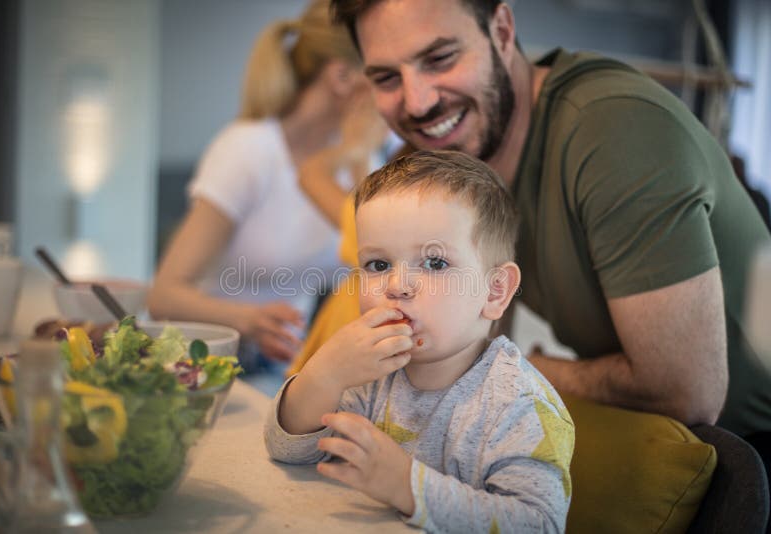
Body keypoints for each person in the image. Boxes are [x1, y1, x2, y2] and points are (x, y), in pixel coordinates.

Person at [326, 0, 771, 452]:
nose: (418, 102)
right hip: (656, 436)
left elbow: (688, 392)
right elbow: (470, 338)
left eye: (440, 58)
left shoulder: (613, 131)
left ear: (502, 30)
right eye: (387, 78)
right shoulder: (444, 162)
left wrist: (524, 368)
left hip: (748, 448)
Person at [265, 150, 574, 533]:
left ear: (495, 291)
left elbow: (538, 525)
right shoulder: (368, 374)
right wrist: (324, 374)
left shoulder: (519, 405)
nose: (397, 286)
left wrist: (408, 487)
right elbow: (288, 450)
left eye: (434, 263)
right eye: (379, 265)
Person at [147, 0, 385, 373]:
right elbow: (164, 294)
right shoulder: (249, 149)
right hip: (207, 362)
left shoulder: (357, 160)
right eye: (382, 75)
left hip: (283, 364)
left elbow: (373, 253)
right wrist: (250, 319)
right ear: (342, 77)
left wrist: (357, 156)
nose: (394, 91)